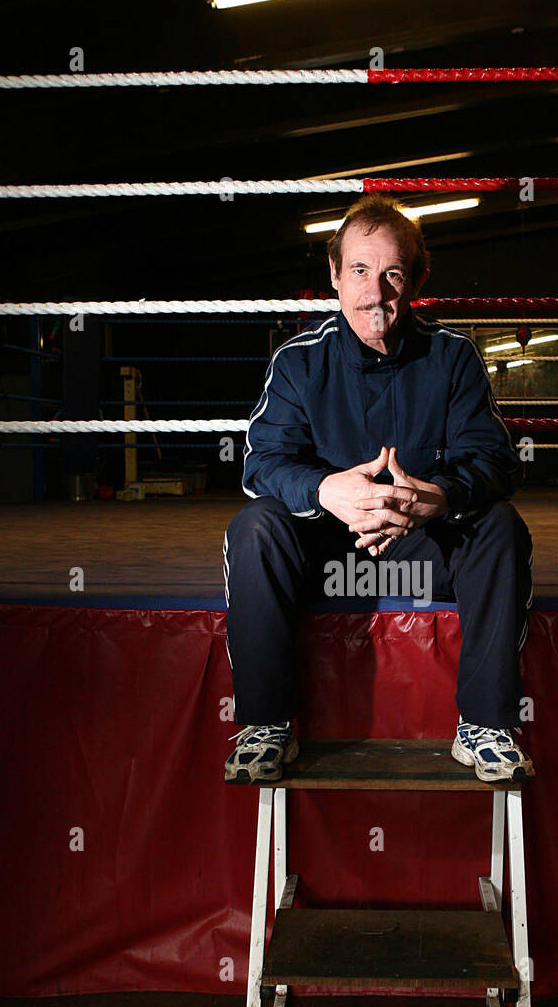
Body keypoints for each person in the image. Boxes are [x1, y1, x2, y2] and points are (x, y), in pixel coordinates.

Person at [223, 195, 533, 783]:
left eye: (392, 273)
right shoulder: (297, 362)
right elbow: (261, 464)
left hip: (422, 554)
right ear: (335, 275)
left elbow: (494, 460)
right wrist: (326, 491)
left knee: (498, 526)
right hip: (325, 554)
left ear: (416, 279)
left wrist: (437, 497)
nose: (376, 293)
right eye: (360, 271)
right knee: (255, 527)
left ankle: (487, 724)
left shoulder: (454, 358)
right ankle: (266, 723)